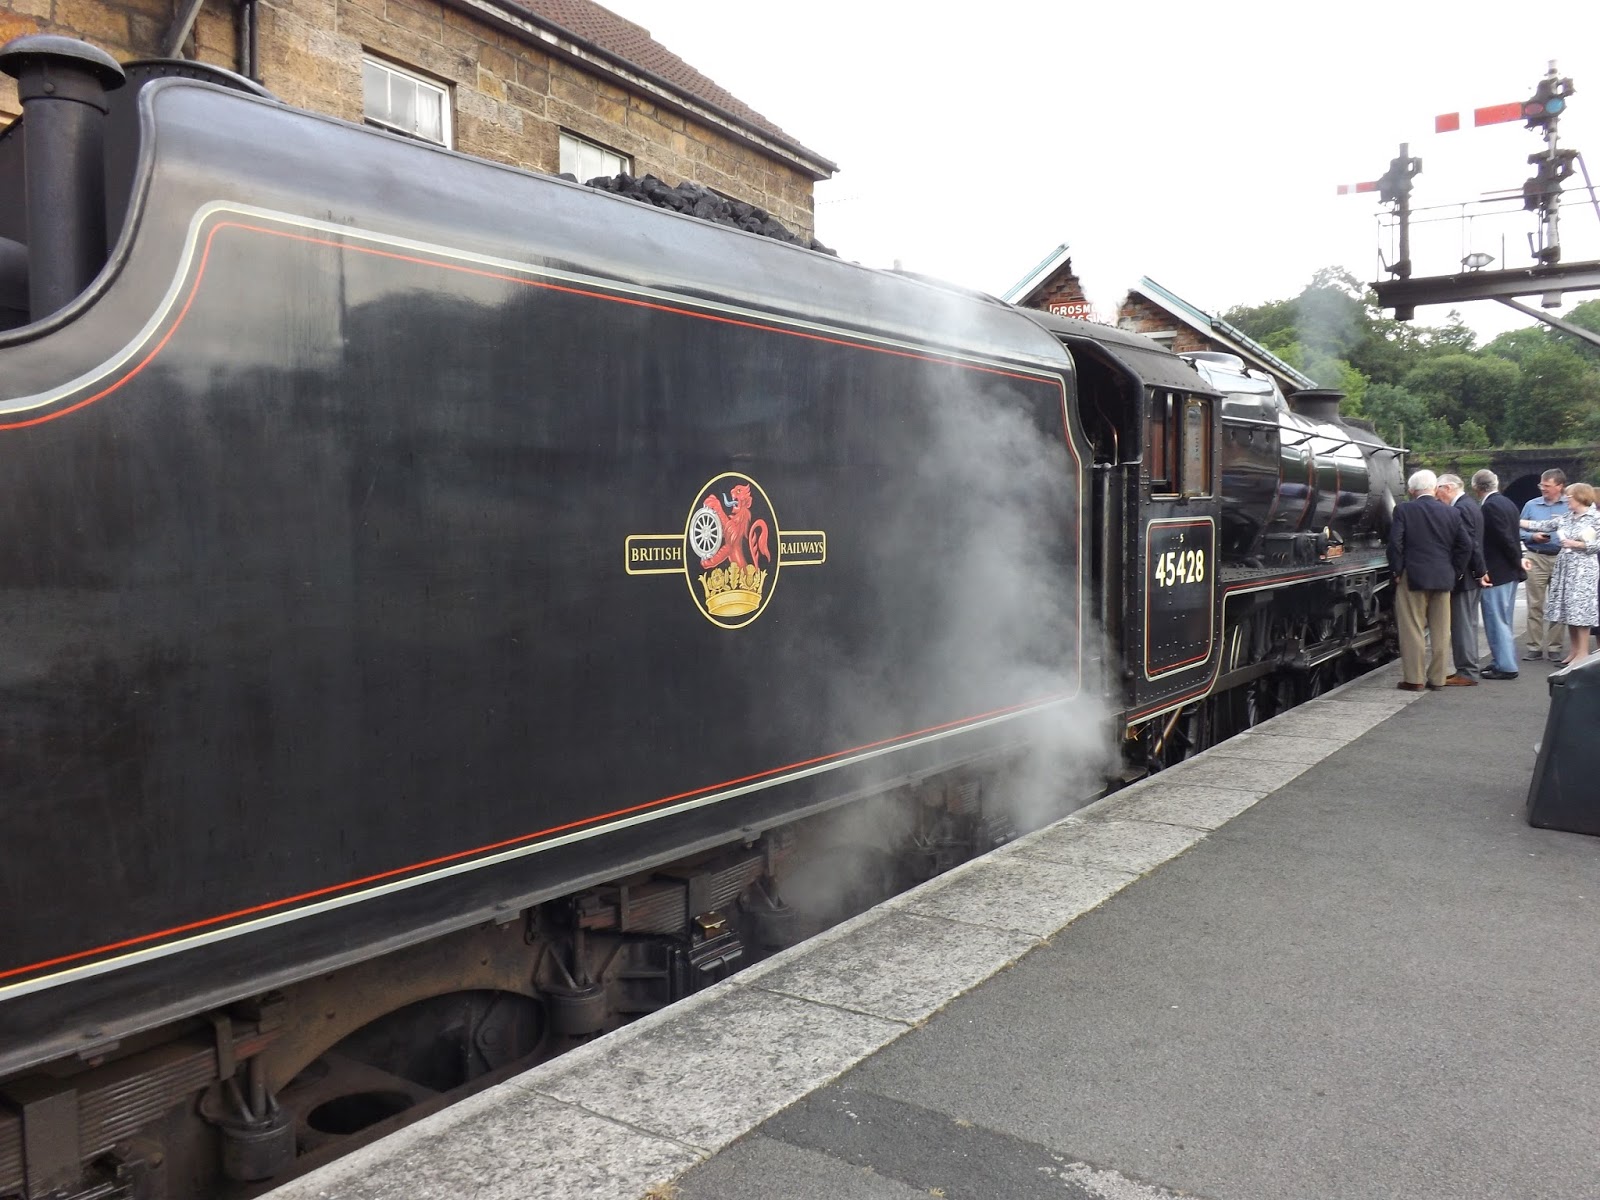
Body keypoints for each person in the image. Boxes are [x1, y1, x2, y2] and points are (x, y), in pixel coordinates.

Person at [1388, 468, 1473, 691]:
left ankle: (1414, 679)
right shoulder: (1451, 512)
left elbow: (1395, 543)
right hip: (1444, 576)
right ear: (1435, 489)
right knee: (1441, 630)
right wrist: (1455, 571)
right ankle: (1437, 679)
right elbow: (1465, 545)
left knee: (1412, 628)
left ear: (1410, 490)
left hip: (1413, 576)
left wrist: (1397, 571)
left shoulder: (1404, 510)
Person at [1520, 482, 1600, 664]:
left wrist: (1577, 544)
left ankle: (1583, 652)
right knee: (1568, 609)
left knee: (1581, 609)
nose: (1566, 500)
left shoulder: (1595, 518)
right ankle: (1574, 650)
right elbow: (1541, 524)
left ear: (1580, 497)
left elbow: (1598, 545)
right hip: (1566, 567)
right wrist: (1512, 519)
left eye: (1569, 497)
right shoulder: (1566, 517)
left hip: (1584, 569)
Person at [1472, 469, 1526, 679]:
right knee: (1504, 620)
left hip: (1497, 572)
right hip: (1508, 572)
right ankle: (1501, 660)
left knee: (1496, 621)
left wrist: (1516, 562)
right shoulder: (1508, 503)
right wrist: (1517, 565)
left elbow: (1505, 539)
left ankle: (1505, 665)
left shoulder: (1490, 507)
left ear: (1476, 487)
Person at [1435, 473, 1487, 684]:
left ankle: (1466, 671)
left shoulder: (1460, 509)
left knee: (1461, 625)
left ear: (1447, 488)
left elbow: (1468, 545)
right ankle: (1467, 668)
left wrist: (1460, 572)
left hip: (1464, 577)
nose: (1436, 496)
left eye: (1437, 490)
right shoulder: (1471, 505)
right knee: (1468, 624)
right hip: (1471, 575)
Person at [1520, 469, 1568, 661]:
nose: (1543, 489)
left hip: (1561, 557)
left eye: (1547, 486)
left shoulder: (1569, 505)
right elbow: (1517, 529)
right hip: (1536, 556)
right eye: (1541, 485)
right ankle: (1535, 646)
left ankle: (1555, 646)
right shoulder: (1531, 505)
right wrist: (1532, 536)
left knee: (1558, 603)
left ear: (1560, 486)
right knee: (1535, 604)